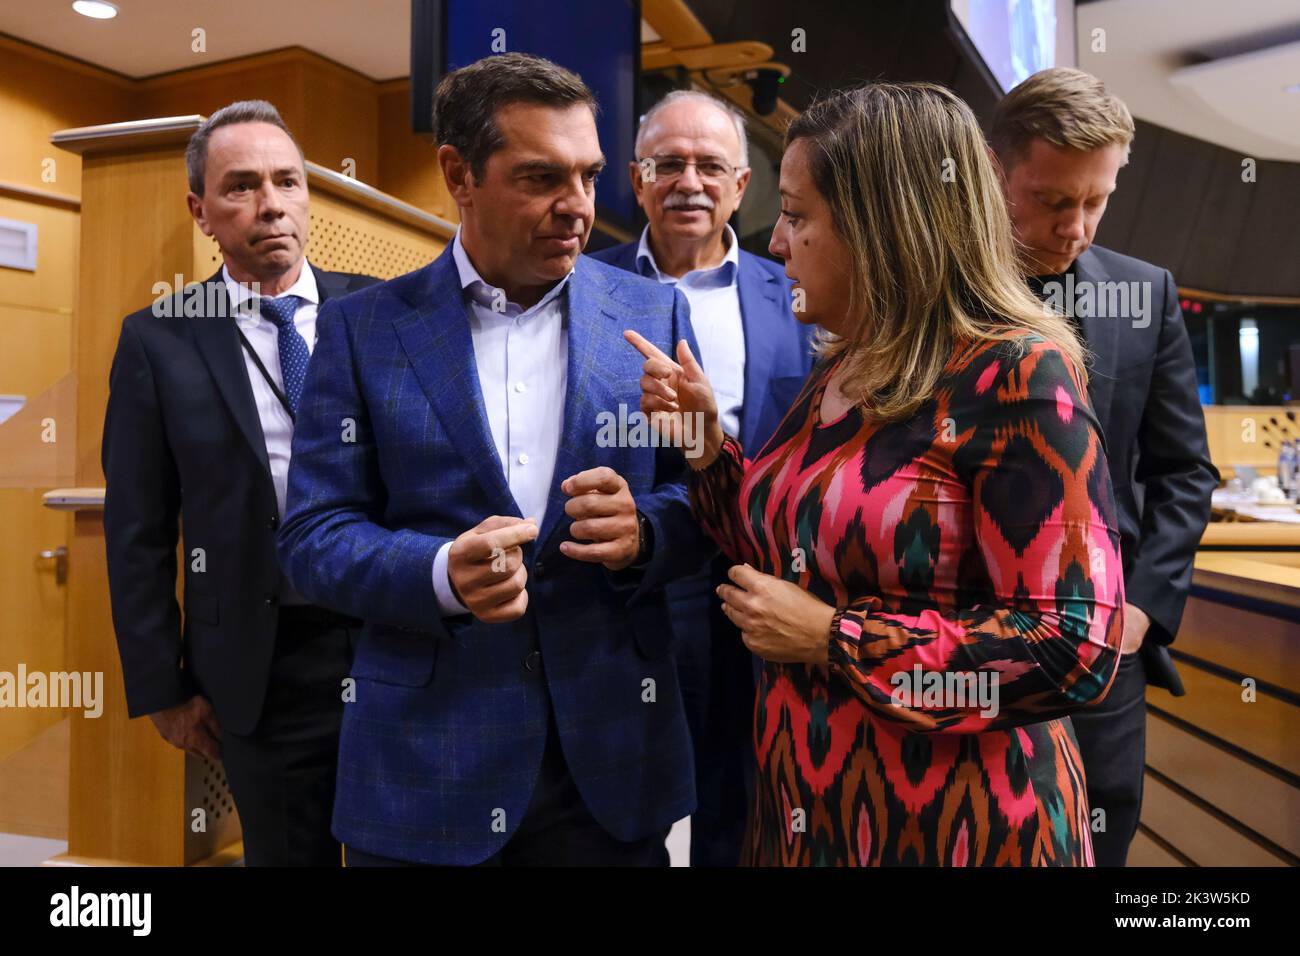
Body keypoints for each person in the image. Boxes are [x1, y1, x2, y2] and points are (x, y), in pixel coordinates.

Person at [628, 82, 1124, 866]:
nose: (776, 243)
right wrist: (704, 444)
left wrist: (836, 639)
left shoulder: (1018, 373)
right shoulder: (843, 362)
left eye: (797, 216)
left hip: (955, 827)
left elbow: (1071, 649)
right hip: (802, 808)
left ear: (880, 226)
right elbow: (777, 555)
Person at [277, 53, 712, 867]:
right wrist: (440, 573)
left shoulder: (652, 313)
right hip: (425, 770)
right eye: (541, 178)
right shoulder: (362, 330)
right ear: (459, 174)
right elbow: (313, 537)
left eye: (588, 176)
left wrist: (646, 533)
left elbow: (702, 501)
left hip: (609, 768)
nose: (577, 206)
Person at [102, 100, 377, 865]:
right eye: (242, 186)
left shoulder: (378, 311)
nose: (272, 204)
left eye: (288, 181)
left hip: (389, 639)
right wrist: (160, 687)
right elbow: (137, 531)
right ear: (201, 211)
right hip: (261, 663)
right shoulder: (159, 339)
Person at [989, 67, 1219, 866]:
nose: (1076, 226)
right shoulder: (931, 288)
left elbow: (1185, 472)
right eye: (1053, 200)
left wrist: (1145, 611)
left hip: (1104, 651)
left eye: (1097, 201)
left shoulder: (1146, 293)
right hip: (961, 644)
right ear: (994, 171)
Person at [591, 89, 813, 866]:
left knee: (741, 797)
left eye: (710, 165)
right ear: (636, 178)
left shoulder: (799, 295)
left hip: (760, 581)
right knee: (626, 801)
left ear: (742, 185)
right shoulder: (583, 285)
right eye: (668, 164)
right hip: (631, 579)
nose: (689, 181)